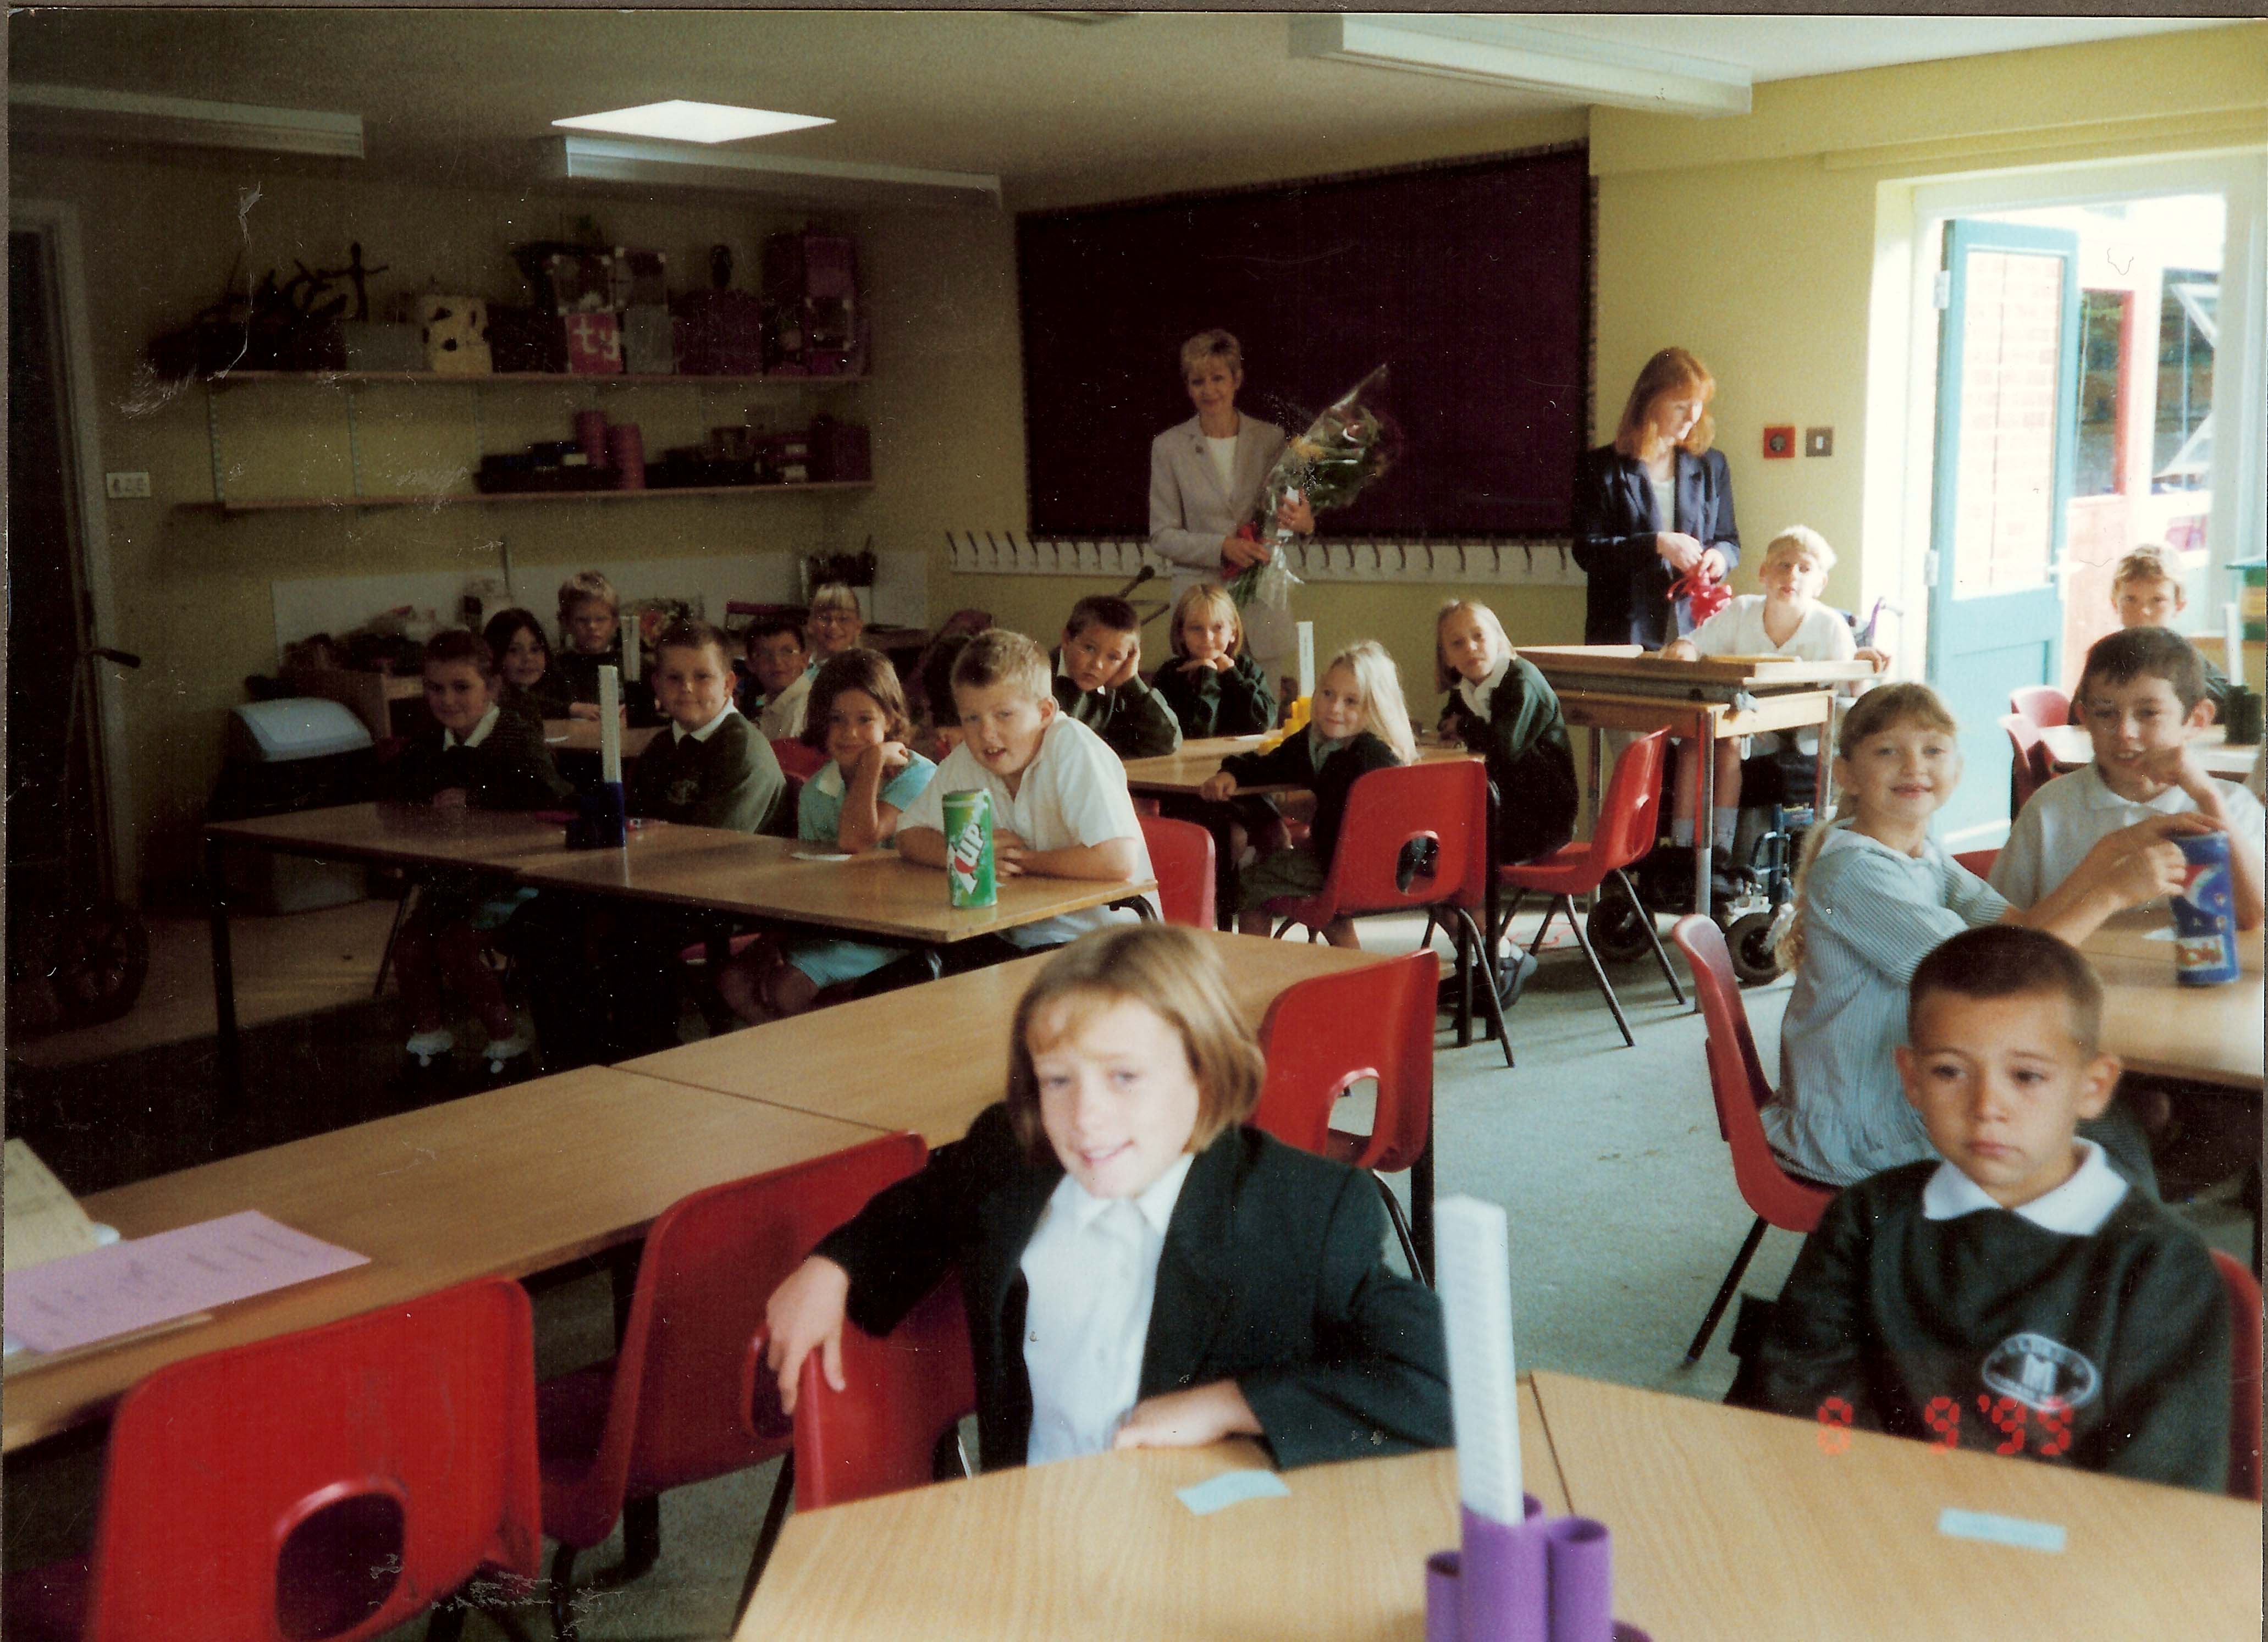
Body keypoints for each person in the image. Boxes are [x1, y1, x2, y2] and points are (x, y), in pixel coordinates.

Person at [761, 923, 1452, 1470]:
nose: (1086, 1115)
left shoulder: (1301, 1211)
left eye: (1124, 1076)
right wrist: (835, 1264)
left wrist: (1235, 1404)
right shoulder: (1013, 1153)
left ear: (1205, 1074)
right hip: (1038, 1528)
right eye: (1059, 1079)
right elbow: (928, 1202)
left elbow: (1449, 1378)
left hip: (1205, 1549)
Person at [1735, 925, 2230, 1492]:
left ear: (2093, 1087)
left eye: (2027, 1075)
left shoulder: (2162, 1264)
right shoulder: (1865, 1218)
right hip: (1883, 1525)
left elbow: (2160, 1490)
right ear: (1912, 1079)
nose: (1987, 1106)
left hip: (2062, 1556)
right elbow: (1797, 1402)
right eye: (1950, 1070)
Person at [1765, 683, 2199, 1190]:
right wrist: (2111, 893)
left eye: (1932, 750)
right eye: (1887, 751)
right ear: (1846, 775)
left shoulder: (1921, 855)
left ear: (1957, 768)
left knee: (2126, 1115)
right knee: (2111, 1133)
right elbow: (2001, 977)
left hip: (1907, 1097)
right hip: (1865, 1128)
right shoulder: (1856, 872)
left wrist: (2110, 852)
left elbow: (2019, 928)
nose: (1913, 766)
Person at [522, 621, 785, 1068]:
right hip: (658, 883)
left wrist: (639, 832)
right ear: (657, 685)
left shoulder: (742, 749)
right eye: (673, 677)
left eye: (701, 676)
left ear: (728, 683)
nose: (686, 688)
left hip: (726, 893)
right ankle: (575, 1059)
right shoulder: (665, 744)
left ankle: (648, 1055)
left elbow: (708, 846)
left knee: (633, 932)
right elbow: (630, 818)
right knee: (541, 918)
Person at [378, 629, 572, 1083]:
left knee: (454, 946)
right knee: (409, 948)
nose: (446, 699)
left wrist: (480, 798)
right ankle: (431, 1041)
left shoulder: (516, 739)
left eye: (461, 687)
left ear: (493, 688)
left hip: (515, 880)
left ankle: (506, 1039)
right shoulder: (428, 744)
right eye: (435, 688)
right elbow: (394, 797)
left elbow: (554, 802)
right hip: (455, 881)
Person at [896, 629, 1158, 952]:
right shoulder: (969, 759)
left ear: (1045, 713)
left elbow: (1116, 860)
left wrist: (1021, 861)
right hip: (1015, 936)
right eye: (972, 718)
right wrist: (975, 857)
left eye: (1004, 715)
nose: (986, 734)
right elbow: (909, 834)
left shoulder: (1072, 747)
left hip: (1103, 944)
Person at [716, 650, 938, 1023]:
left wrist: (871, 764)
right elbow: (809, 878)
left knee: (788, 989)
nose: (850, 733)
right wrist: (770, 942)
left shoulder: (917, 776)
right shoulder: (818, 790)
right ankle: (798, 1051)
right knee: (733, 981)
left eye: (865, 719)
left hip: (898, 930)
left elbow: (857, 838)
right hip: (833, 923)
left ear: (891, 721)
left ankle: (831, 1058)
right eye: (836, 719)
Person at [1992, 627, 2263, 926]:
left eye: (2148, 714)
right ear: (2084, 720)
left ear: (2196, 720)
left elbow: (2256, 913)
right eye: (2105, 713)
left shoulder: (2231, 804)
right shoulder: (2049, 810)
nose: (2125, 733)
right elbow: (2003, 930)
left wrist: (2207, 797)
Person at [1658, 526, 1888, 858]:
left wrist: (1861, 661)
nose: (1791, 575)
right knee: (1697, 739)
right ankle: (1682, 850)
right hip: (1741, 722)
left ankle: (1719, 849)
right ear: (1764, 573)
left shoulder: (1829, 626)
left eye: (1804, 569)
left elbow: (1854, 691)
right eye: (1783, 565)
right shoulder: (1741, 611)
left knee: (1728, 741)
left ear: (1820, 584)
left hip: (1799, 738)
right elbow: (1694, 642)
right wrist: (1683, 650)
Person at [1202, 641, 1412, 947]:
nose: (1335, 708)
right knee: (1311, 889)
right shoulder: (1317, 741)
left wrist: (1310, 809)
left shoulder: (1372, 756)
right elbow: (1270, 764)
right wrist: (1231, 772)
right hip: (1351, 863)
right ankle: (1354, 968)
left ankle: (1252, 970)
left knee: (1252, 882)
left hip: (1359, 866)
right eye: (1328, 694)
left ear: (1375, 707)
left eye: (1351, 701)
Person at [1147, 329, 1315, 668]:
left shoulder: (1271, 439)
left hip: (1261, 612)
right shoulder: (1169, 447)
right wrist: (1222, 547)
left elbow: (1285, 521)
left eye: (1218, 378)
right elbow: (1162, 536)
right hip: (1200, 620)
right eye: (1198, 381)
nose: (1209, 390)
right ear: (1187, 387)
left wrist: (1303, 522)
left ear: (1237, 379)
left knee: (1262, 717)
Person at [1571, 347, 1742, 648]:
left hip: (1697, 628)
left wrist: (1719, 558)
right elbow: (1587, 551)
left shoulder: (1713, 466)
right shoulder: (1600, 468)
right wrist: (1657, 544)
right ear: (1649, 405)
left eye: (1698, 404)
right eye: (1680, 406)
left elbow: (1729, 541)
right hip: (1624, 632)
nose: (1693, 416)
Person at [1436, 600, 1577, 866]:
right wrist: (1450, 728)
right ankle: (1454, 906)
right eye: (1458, 644)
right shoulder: (1466, 688)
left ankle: (1472, 908)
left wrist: (1463, 727)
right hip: (1503, 808)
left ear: (1498, 639)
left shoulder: (1520, 681)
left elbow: (1504, 746)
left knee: (1456, 847)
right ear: (1447, 658)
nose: (1471, 648)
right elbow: (1449, 722)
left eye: (1479, 636)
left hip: (1541, 820)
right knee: (1439, 834)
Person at [1052, 594, 1183, 760]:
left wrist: (1132, 684)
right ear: (1067, 639)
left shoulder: (1118, 689)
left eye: (1113, 658)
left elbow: (1168, 742)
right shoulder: (1037, 677)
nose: (1098, 664)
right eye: (1090, 648)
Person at [2108, 544, 2232, 717]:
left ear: (2178, 606)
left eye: (2157, 600)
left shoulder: (2182, 653)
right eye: (2131, 599)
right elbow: (2079, 713)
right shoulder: (2105, 656)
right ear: (2115, 603)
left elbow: (2225, 694)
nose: (2143, 610)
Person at [1153, 582, 1276, 739]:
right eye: (1196, 628)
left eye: (1218, 628)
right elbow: (1198, 731)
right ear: (1181, 633)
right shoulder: (1170, 675)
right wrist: (1206, 674)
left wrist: (1232, 675)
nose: (1207, 638)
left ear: (1233, 633)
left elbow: (1262, 721)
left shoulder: (1246, 669)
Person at [552, 570, 659, 726]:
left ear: (615, 622)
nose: (592, 627)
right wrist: (572, 709)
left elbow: (665, 694)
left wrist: (648, 706)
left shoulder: (633, 662)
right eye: (582, 620)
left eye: (601, 619)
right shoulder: (557, 665)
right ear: (566, 623)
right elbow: (538, 703)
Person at [483, 606, 567, 723]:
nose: (528, 659)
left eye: (535, 649)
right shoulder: (492, 701)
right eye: (514, 650)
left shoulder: (553, 684)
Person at [736, 615, 814, 740]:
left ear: (804, 659)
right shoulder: (770, 705)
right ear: (750, 664)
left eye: (787, 652)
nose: (777, 662)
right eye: (764, 654)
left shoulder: (804, 710)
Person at [807, 582, 866, 664]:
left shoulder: (865, 672)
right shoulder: (799, 667)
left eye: (843, 619)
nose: (833, 626)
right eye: (825, 618)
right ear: (811, 624)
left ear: (858, 627)